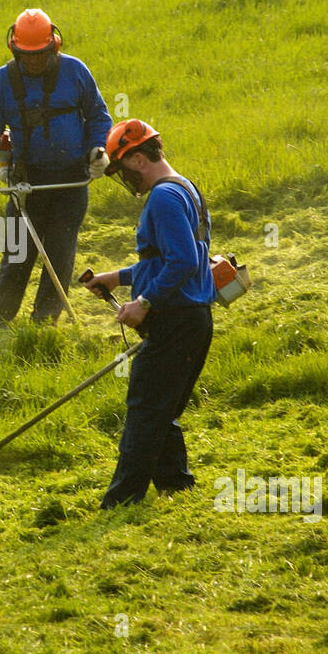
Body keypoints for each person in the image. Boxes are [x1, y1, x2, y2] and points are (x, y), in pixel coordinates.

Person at [83, 118, 214, 506]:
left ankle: (122, 500)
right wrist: (118, 278)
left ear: (138, 159)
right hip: (192, 320)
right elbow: (165, 260)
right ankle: (176, 485)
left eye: (124, 170)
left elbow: (184, 261)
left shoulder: (163, 197)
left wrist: (144, 302)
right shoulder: (186, 188)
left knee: (144, 410)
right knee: (161, 407)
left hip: (174, 319)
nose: (127, 181)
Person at [0, 8, 112, 332]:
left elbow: (99, 117)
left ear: (54, 47)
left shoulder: (76, 72)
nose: (32, 62)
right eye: (25, 56)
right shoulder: (2, 81)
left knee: (60, 255)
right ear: (14, 49)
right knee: (17, 256)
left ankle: (43, 326)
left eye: (40, 55)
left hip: (71, 180)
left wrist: (98, 149)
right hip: (26, 181)